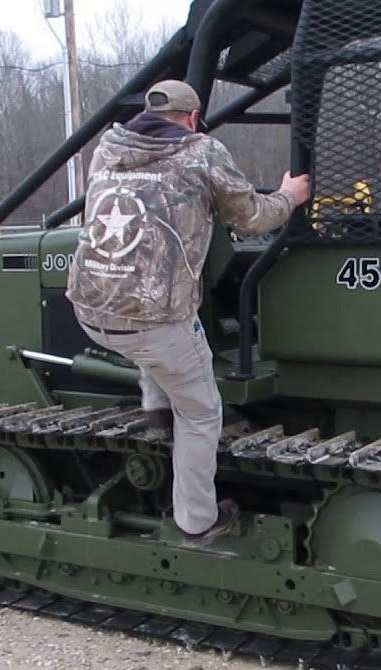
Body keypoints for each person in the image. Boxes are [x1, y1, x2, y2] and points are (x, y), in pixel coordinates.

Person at [65, 79, 312, 546]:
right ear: (193, 117)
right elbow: (252, 218)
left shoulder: (107, 148)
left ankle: (156, 408)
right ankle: (197, 520)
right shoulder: (202, 152)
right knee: (201, 411)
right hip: (154, 325)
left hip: (89, 305)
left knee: (161, 314)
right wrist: (290, 195)